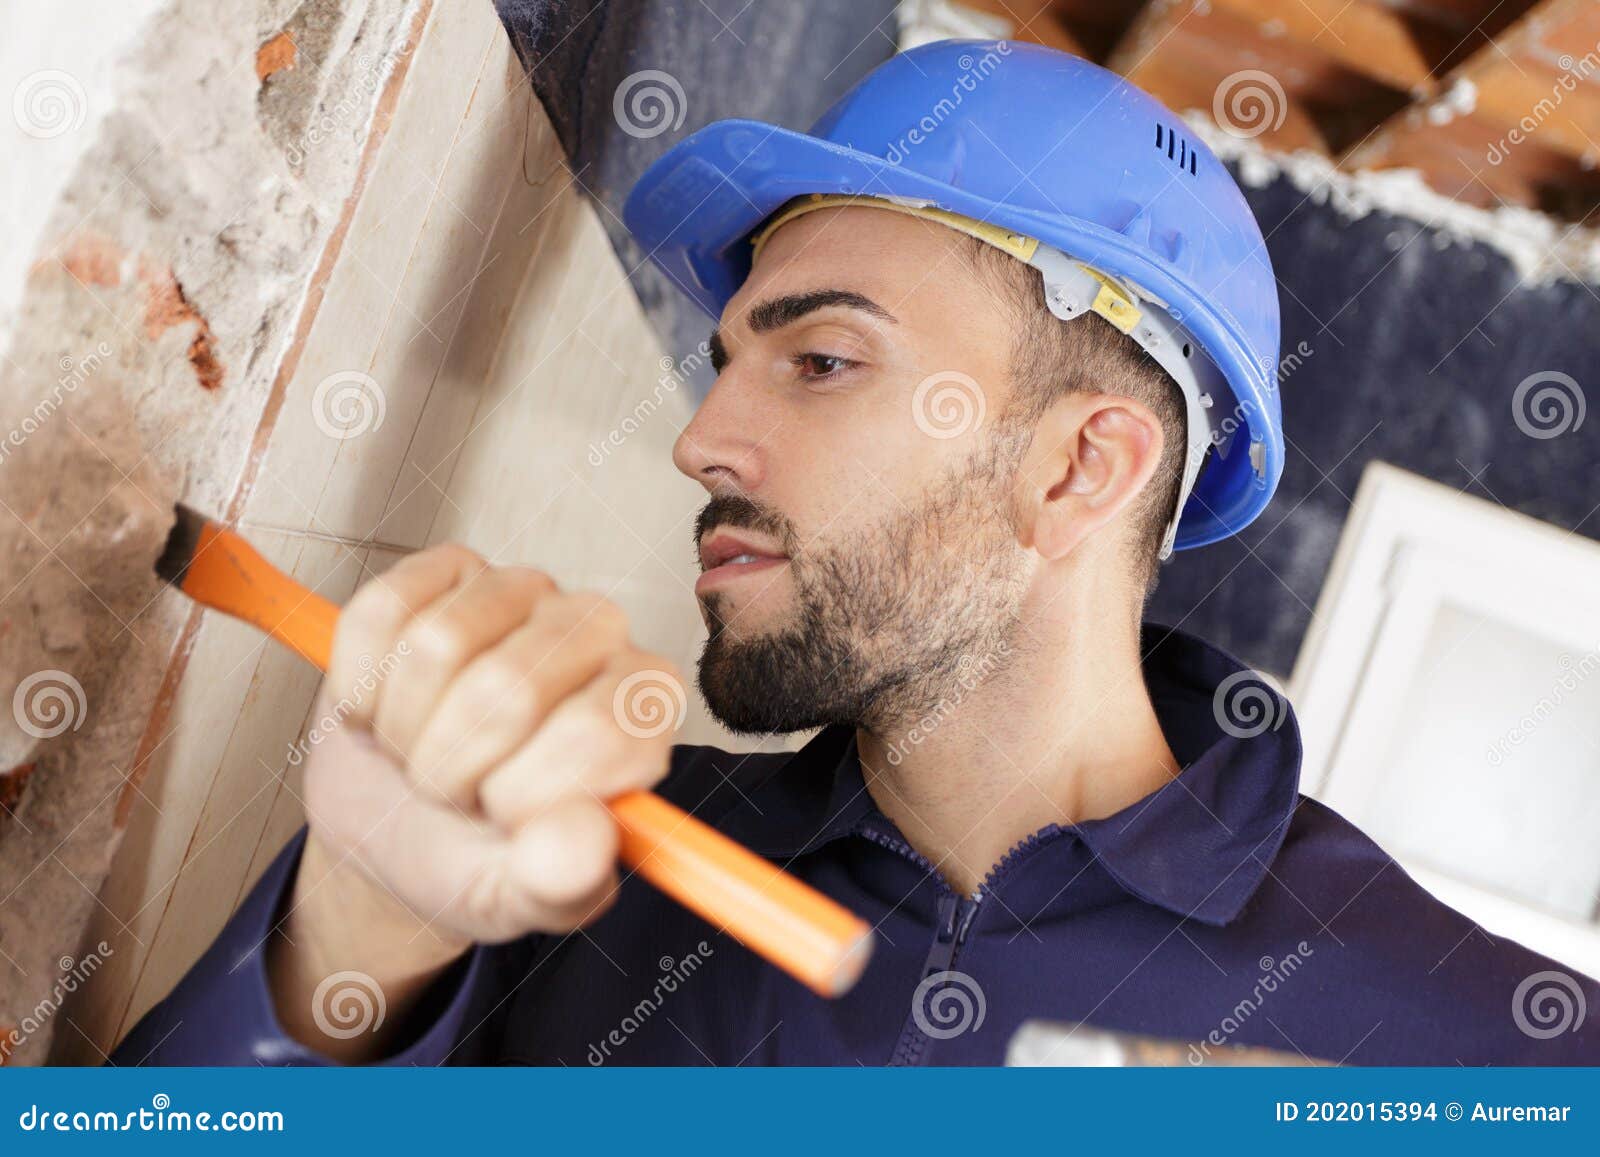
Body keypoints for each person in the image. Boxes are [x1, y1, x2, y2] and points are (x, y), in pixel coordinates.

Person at [116, 41, 1597, 1067]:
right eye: (725, 365)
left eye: (821, 361)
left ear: (1080, 467)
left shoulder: (1499, 1053)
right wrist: (357, 932)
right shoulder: (557, 852)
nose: (704, 443)